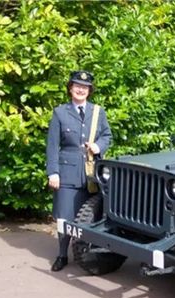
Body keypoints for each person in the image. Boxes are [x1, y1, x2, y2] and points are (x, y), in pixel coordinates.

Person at [46, 70, 112, 272]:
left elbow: (107, 135)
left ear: (89, 91)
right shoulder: (60, 112)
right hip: (67, 174)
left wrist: (98, 146)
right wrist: (53, 173)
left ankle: (87, 253)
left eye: (84, 87)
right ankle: (62, 254)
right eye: (77, 86)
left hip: (92, 174)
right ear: (70, 88)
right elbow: (52, 145)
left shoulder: (98, 112)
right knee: (65, 217)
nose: (80, 90)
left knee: (92, 216)